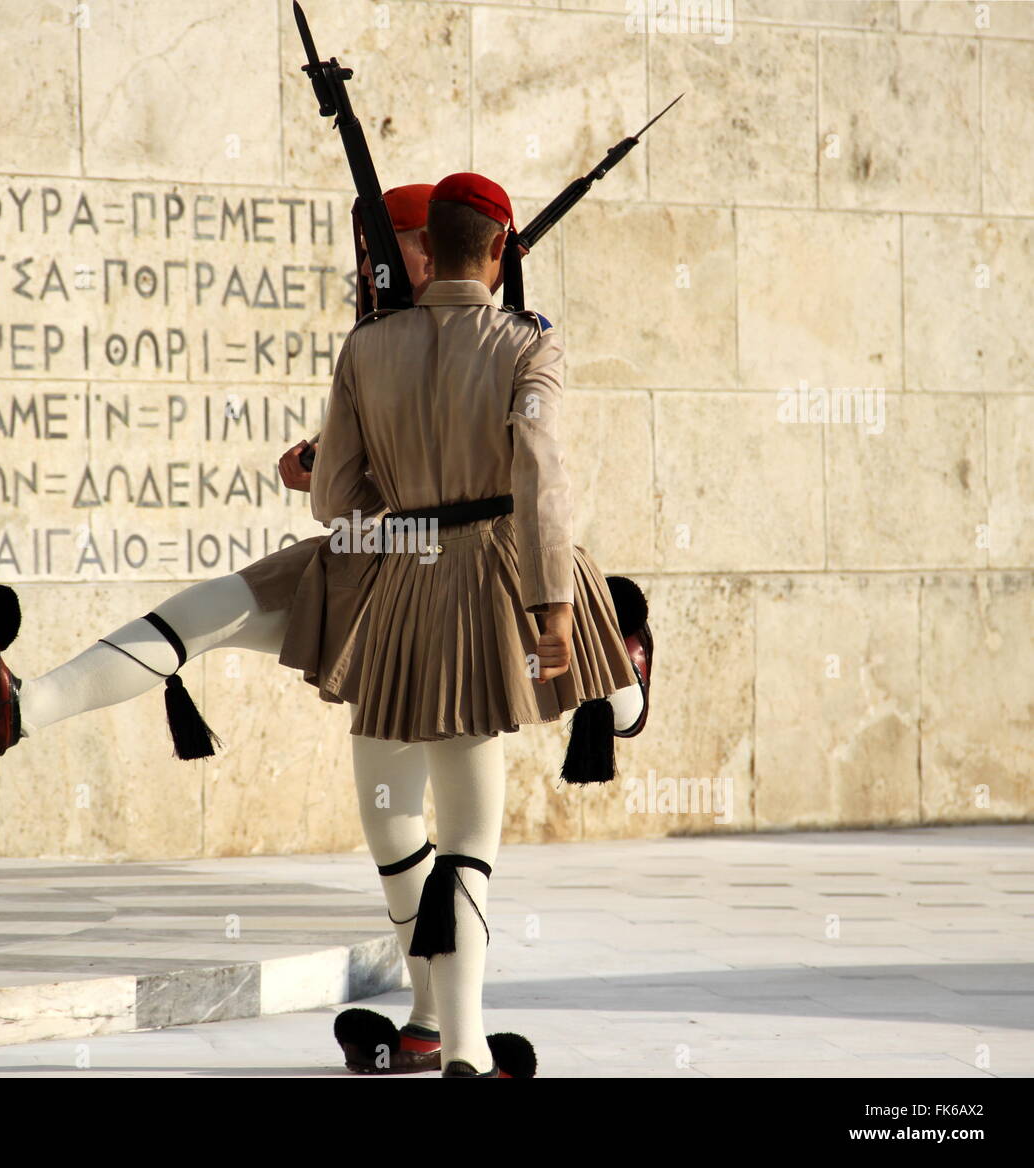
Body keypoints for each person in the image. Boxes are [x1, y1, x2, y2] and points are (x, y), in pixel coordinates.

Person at [0, 184, 453, 1074]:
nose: (374, 260)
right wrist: (324, 462)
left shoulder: (481, 337)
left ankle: (442, 1019)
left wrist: (326, 469)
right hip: (359, 565)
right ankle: (22, 707)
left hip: (449, 586)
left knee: (431, 815)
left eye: (393, 241)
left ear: (435, 244)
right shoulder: (384, 339)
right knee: (206, 616)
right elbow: (356, 475)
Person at [309, 173, 640, 1077]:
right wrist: (553, 606)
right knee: (470, 842)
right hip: (485, 599)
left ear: (428, 246)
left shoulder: (365, 347)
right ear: (501, 251)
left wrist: (405, 522)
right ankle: (462, 1047)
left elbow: (336, 502)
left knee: (397, 824)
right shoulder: (528, 346)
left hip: (398, 601)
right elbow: (538, 472)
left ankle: (435, 1028)